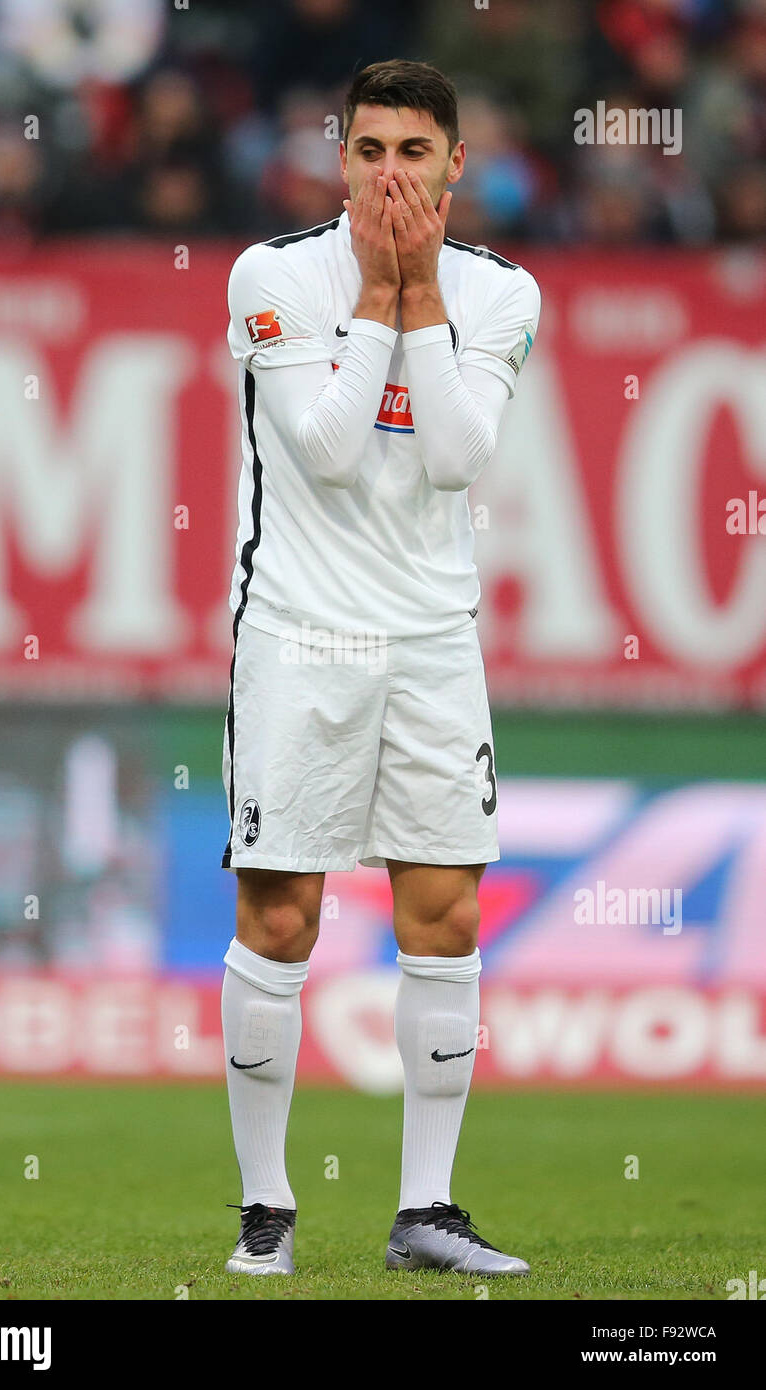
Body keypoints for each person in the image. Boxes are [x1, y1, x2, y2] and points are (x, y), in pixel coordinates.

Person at [219, 59, 540, 1277]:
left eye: (414, 152)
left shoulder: (503, 294)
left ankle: (425, 1211)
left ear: (457, 162)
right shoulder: (271, 274)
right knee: (281, 915)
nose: (390, 174)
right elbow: (329, 450)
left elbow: (457, 458)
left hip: (429, 638)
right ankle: (267, 1208)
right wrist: (379, 291)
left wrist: (416, 297)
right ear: (336, 157)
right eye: (369, 152)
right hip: (298, 631)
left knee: (443, 908)